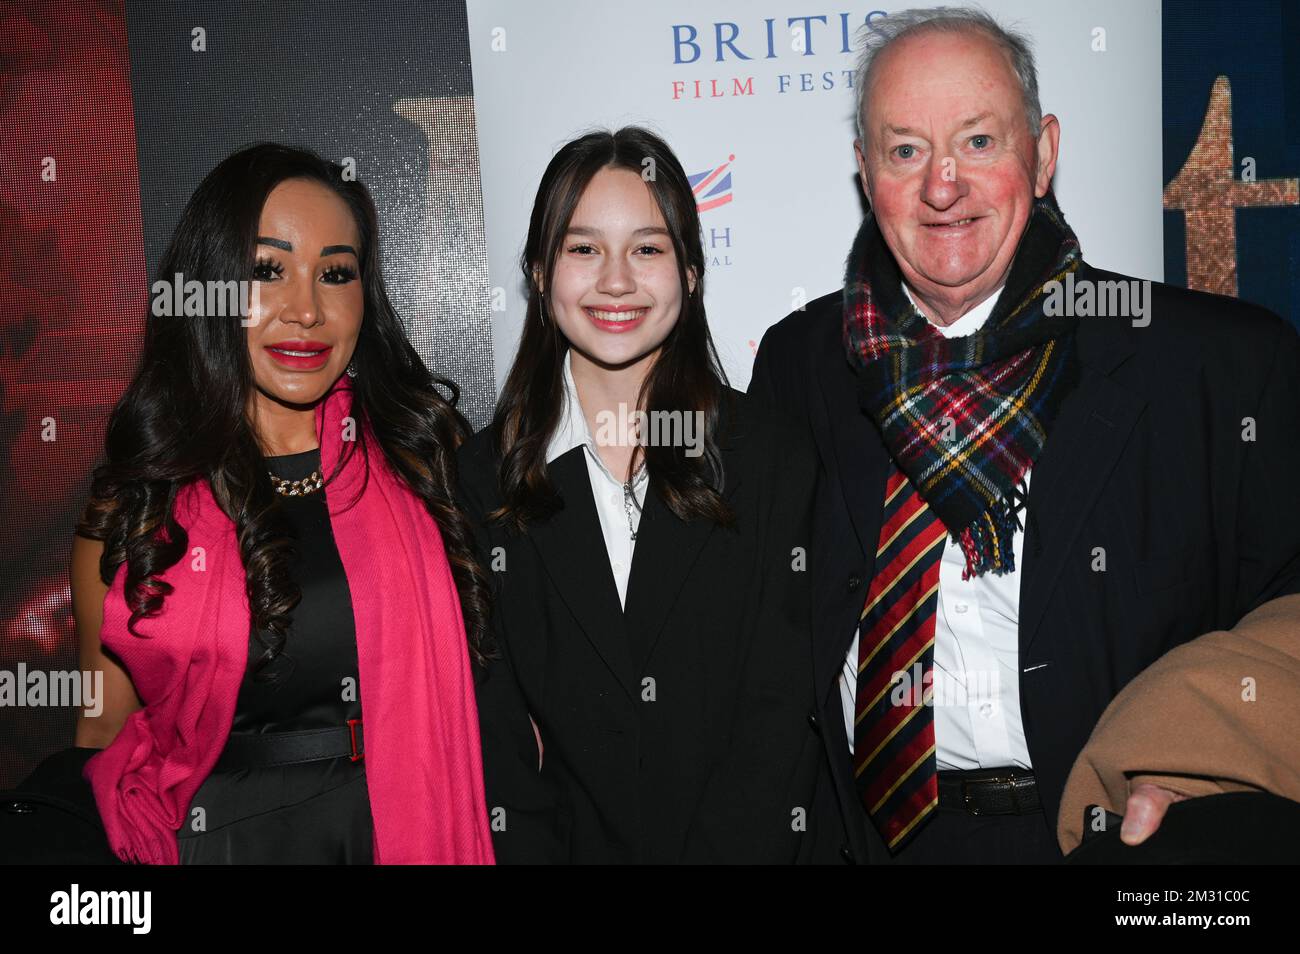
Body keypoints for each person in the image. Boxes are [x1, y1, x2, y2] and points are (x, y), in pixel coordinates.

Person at [749, 7, 1300, 864]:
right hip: (871, 842)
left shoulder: (1218, 367)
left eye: (977, 141)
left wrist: (1225, 752)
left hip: (1125, 846)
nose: (942, 185)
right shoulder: (801, 367)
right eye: (904, 150)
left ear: (1043, 155)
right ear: (864, 172)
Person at [71, 143, 495, 864]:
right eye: (267, 271)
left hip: (408, 824)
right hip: (224, 843)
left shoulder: (429, 464)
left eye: (336, 273)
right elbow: (100, 738)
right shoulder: (136, 511)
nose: (306, 308)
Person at [458, 126, 824, 863]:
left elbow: (781, 719)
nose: (616, 281)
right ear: (538, 272)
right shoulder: (478, 480)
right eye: (583, 248)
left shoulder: (769, 454)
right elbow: (492, 746)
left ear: (691, 273)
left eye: (648, 249)